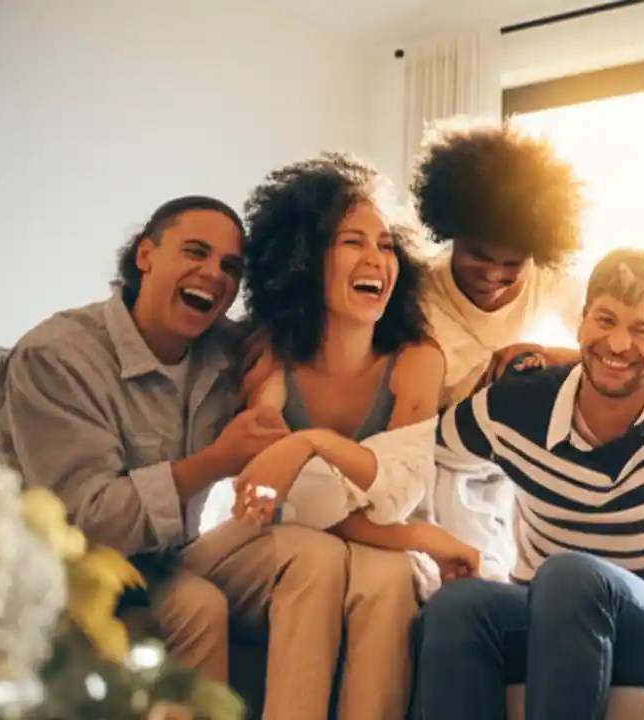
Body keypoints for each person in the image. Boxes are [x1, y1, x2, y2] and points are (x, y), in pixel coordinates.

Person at [0, 196, 352, 719]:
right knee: (197, 607)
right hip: (65, 573)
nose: (213, 274)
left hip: (169, 558)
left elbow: (298, 338)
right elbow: (87, 523)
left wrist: (275, 358)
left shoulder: (226, 347)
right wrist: (215, 461)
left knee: (319, 556)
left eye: (230, 266)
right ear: (145, 255)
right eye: (195, 252)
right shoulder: (56, 356)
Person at [412, 249, 644, 720]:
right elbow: (415, 454)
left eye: (643, 330)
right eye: (605, 320)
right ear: (581, 324)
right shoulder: (516, 406)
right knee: (456, 605)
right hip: (546, 617)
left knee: (573, 574)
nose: (618, 343)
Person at [230, 153, 481, 719]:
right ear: (304, 258)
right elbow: (284, 510)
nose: (376, 259)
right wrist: (425, 538)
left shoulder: (416, 362)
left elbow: (395, 495)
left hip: (384, 547)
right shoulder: (272, 361)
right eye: (352, 242)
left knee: (387, 578)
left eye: (387, 245)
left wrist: (306, 445)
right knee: (325, 555)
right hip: (293, 548)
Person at [409, 116, 589, 579]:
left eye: (512, 264)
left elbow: (611, 347)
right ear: (448, 232)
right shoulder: (417, 288)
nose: (493, 275)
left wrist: (549, 356)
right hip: (435, 464)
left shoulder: (551, 281)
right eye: (478, 255)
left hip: (509, 462)